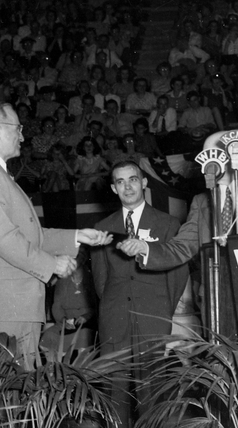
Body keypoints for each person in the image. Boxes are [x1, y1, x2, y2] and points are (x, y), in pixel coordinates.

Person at [0, 102, 112, 369]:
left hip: (11, 298)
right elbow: (2, 239)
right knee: (8, 387)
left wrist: (76, 236)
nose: (23, 136)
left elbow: (28, 235)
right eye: (17, 128)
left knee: (16, 384)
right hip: (5, 301)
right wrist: (51, 264)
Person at [118, 131, 238, 337]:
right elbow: (181, 247)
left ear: (237, 152)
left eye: (214, 154)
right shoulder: (201, 201)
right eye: (204, 156)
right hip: (217, 301)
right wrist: (146, 248)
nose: (207, 163)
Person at [91, 161, 185, 427]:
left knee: (151, 389)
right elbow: (100, 280)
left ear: (144, 183)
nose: (128, 186)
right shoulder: (103, 226)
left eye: (133, 179)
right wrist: (112, 306)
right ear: (113, 188)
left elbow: (178, 276)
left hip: (153, 315)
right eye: (120, 182)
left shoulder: (167, 224)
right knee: (114, 389)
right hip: (115, 317)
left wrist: (162, 308)